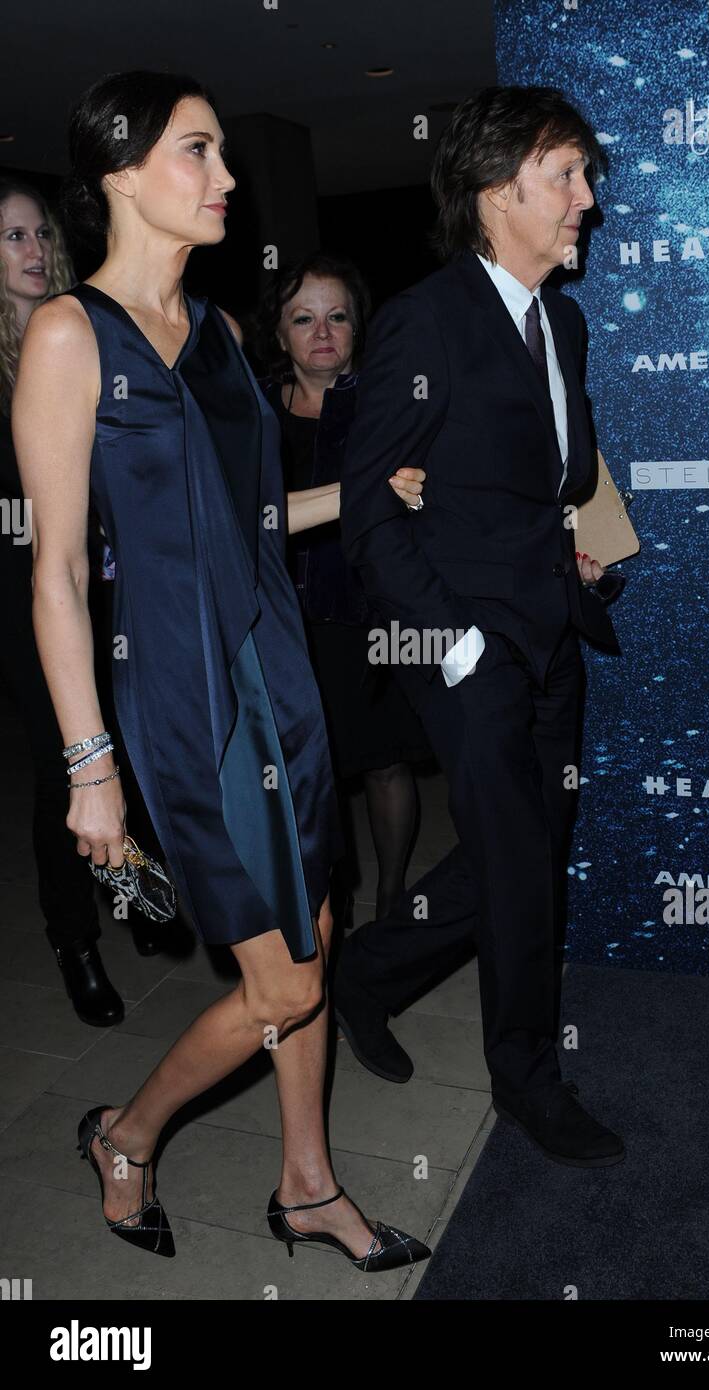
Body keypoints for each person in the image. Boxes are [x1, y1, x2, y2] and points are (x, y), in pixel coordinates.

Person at [12, 68, 430, 1270]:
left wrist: (362, 493)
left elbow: (251, 520)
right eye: (199, 152)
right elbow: (57, 577)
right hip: (186, 693)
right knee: (283, 985)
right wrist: (91, 766)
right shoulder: (66, 333)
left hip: (276, 669)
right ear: (120, 173)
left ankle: (306, 1185)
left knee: (315, 924)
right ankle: (127, 1133)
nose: (227, 177)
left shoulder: (217, 334)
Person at [334, 85, 626, 1167]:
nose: (585, 201)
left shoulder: (563, 319)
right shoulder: (425, 318)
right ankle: (528, 1084)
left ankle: (362, 975)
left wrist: (563, 557)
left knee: (526, 852)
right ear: (497, 192)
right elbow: (370, 517)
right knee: (516, 868)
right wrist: (458, 649)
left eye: (584, 179)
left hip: (550, 629)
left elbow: (547, 480)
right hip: (463, 647)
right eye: (566, 177)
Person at [253, 254, 432, 929]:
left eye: (337, 317)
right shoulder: (255, 412)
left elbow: (421, 501)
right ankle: (322, 902)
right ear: (279, 333)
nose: (321, 332)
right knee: (305, 768)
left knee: (385, 764)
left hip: (371, 612)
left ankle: (390, 902)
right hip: (283, 619)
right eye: (303, 318)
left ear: (358, 330)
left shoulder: (385, 401)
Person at [0, 177, 129, 1024]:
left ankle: (131, 893)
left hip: (105, 579)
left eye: (41, 233)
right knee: (65, 764)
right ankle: (73, 937)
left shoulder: (78, 336)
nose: (35, 252)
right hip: (22, 593)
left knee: (125, 744)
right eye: (13, 237)